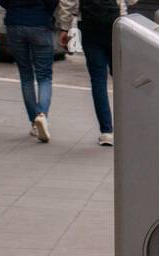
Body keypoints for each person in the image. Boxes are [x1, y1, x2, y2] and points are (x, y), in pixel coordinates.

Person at [58, 0, 136, 147]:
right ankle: (127, 127)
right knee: (121, 78)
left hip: (89, 25)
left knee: (98, 79)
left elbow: (67, 2)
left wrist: (65, 27)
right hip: (116, 22)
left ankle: (107, 131)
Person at [0, 0, 60, 142]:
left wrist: (13, 7)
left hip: (15, 22)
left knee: (26, 76)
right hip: (40, 22)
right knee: (44, 76)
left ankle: (34, 123)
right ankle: (42, 115)